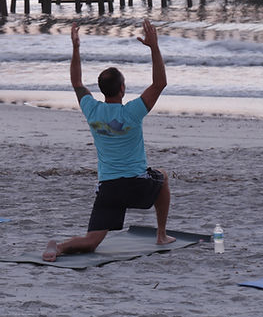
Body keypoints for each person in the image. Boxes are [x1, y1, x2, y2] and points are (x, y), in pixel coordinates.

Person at [42, 20, 175, 262]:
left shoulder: (92, 110)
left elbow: (76, 83)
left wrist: (75, 48)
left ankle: (59, 246)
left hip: (109, 189)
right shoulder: (132, 112)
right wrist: (154, 48)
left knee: (91, 242)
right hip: (137, 185)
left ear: (102, 90)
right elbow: (159, 84)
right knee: (163, 175)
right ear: (123, 88)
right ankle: (162, 235)